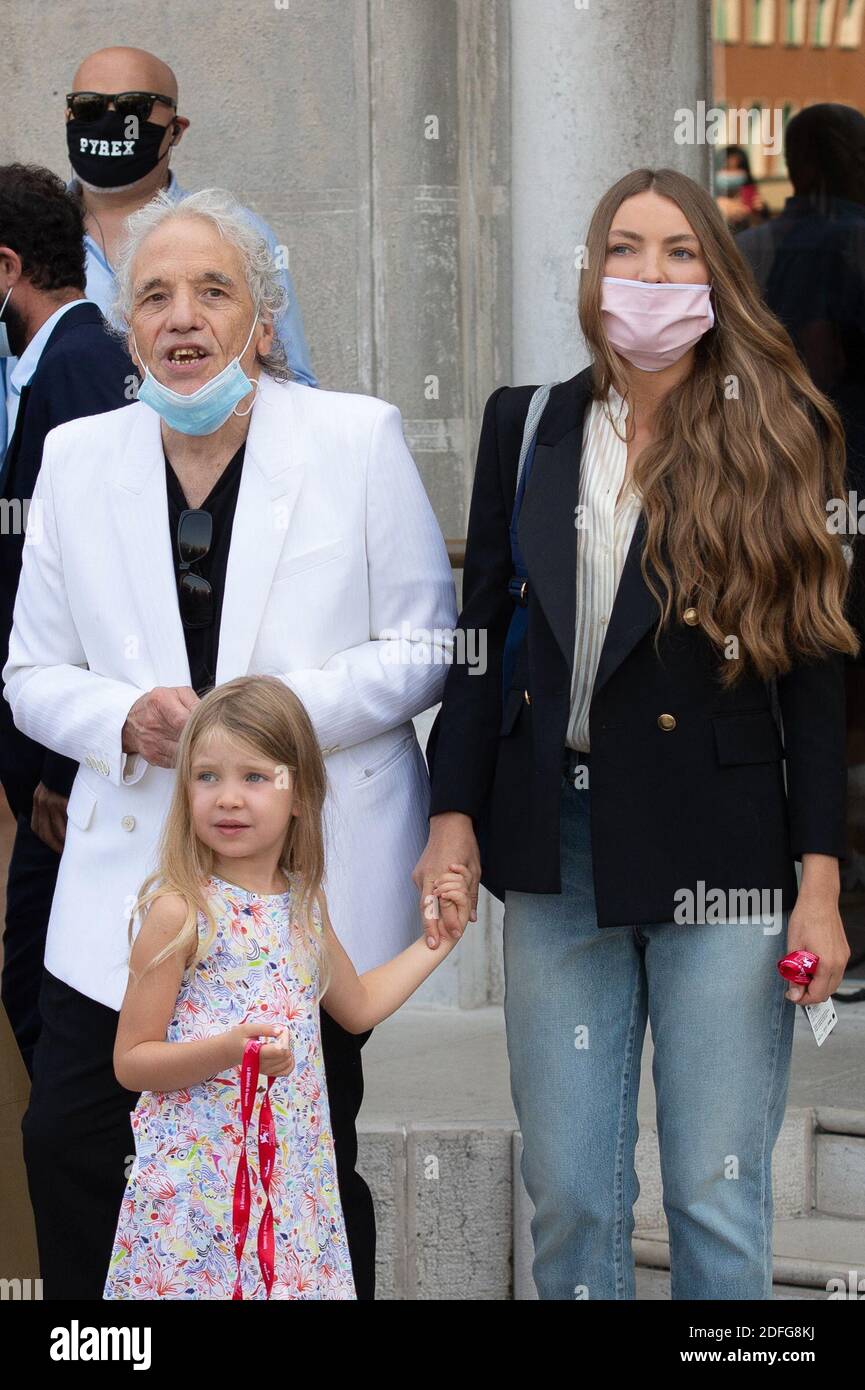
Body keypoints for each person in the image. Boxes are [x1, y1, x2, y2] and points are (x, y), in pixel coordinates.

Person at [4, 187, 456, 1301]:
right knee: (71, 1148)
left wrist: (262, 721)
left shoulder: (355, 436)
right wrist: (119, 720)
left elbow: (425, 644)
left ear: (263, 319)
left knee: (296, 1164)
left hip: (297, 888)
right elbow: (28, 674)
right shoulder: (75, 457)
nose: (182, 315)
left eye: (214, 289)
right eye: (153, 294)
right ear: (129, 328)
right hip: (126, 887)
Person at [416, 166, 857, 1300]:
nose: (648, 274)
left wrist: (820, 882)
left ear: (713, 274)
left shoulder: (778, 429)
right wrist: (451, 815)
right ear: (591, 269)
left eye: (676, 251)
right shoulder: (526, 426)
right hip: (556, 852)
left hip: (726, 855)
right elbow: (481, 643)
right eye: (625, 248)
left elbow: (811, 677)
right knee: (571, 1195)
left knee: (715, 1191)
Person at [104, 675, 469, 1300]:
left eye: (254, 777)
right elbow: (131, 1062)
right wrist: (231, 1051)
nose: (228, 799)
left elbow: (356, 1009)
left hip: (293, 1181)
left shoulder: (304, 906)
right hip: (199, 1193)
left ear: (299, 792)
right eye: (207, 776)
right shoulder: (181, 911)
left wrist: (436, 943)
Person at [0, 45, 316, 448]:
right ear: (67, 117)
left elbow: (289, 380)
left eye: (133, 106)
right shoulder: (19, 234)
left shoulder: (234, 233)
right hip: (51, 483)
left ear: (176, 129)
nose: (111, 121)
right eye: (88, 107)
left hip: (197, 479)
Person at [0, 163, 135, 1076]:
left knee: (53, 1008)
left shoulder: (82, 367)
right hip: (60, 767)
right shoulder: (56, 365)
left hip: (75, 773)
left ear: (7, 266)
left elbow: (100, 577)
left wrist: (57, 765)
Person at [737, 104, 865, 894]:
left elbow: (802, 361)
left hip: (782, 484)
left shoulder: (762, 247)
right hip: (833, 472)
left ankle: (826, 886)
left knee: (811, 677)